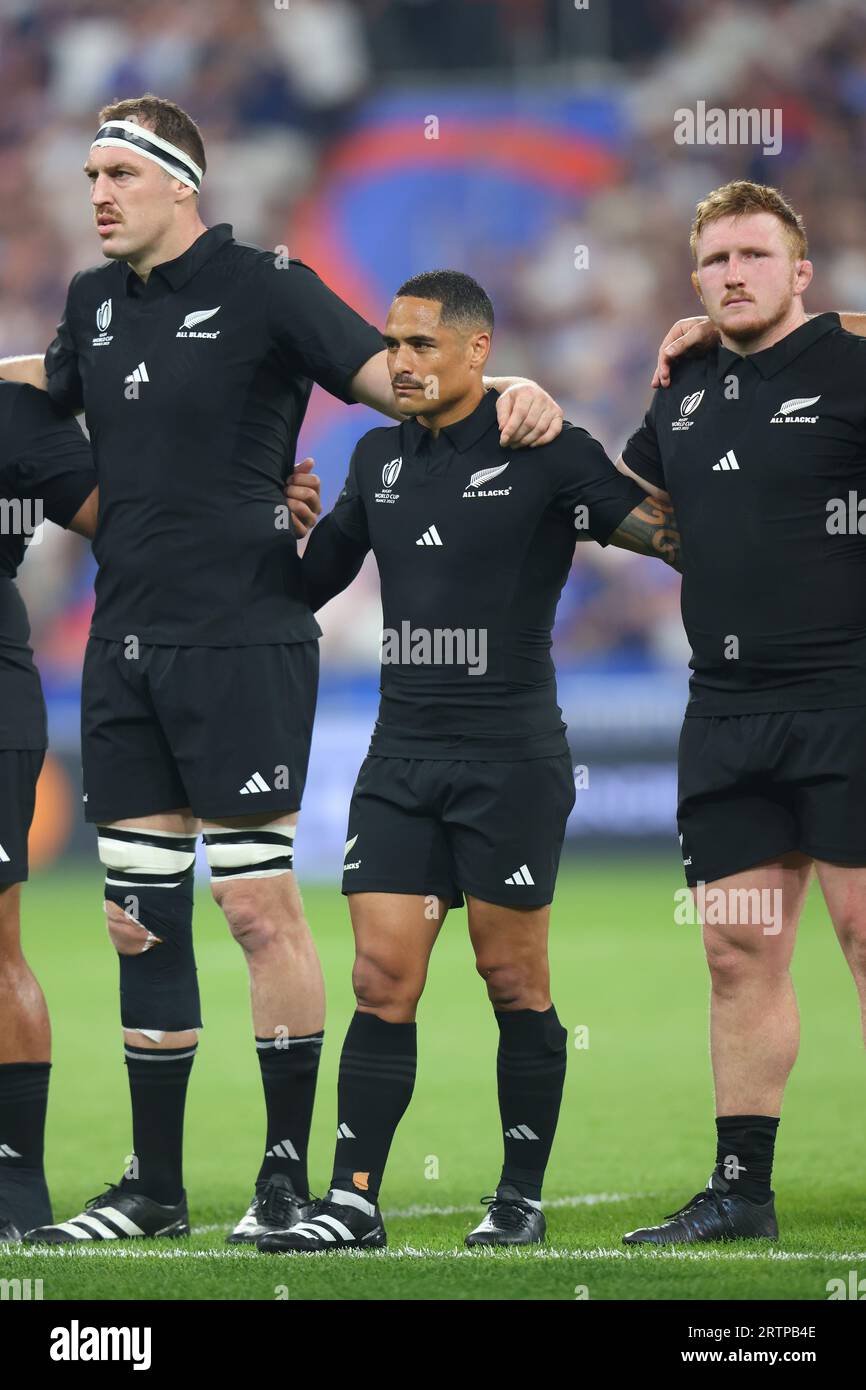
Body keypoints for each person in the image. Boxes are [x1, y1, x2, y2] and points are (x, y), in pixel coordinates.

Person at [0, 96, 562, 1246]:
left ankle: (281, 1177)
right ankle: (152, 1189)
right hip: (124, 647)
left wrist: (509, 389)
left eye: (117, 173)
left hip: (247, 637)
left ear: (178, 182)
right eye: (88, 176)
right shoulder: (93, 304)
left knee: (257, 907)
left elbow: (392, 380)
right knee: (137, 921)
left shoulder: (267, 285)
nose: (96, 194)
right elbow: (47, 381)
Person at [256, 270, 681, 1253]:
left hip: (510, 759)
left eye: (420, 347)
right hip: (398, 757)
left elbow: (664, 534)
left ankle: (517, 1198)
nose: (398, 364)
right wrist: (283, 521)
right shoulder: (374, 456)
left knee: (510, 978)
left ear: (476, 352)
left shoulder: (545, 448)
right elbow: (304, 587)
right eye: (392, 345)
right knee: (378, 977)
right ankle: (351, 1199)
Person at [614, 180, 866, 1245]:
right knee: (736, 951)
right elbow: (641, 508)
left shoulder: (853, 361)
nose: (732, 275)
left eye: (754, 257)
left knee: (861, 935)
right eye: (714, 260)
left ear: (799, 271)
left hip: (847, 699)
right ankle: (738, 1194)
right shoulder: (680, 388)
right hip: (722, 711)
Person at [0, 385, 97, 1240]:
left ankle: (15, 1186)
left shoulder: (16, 413)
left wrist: (251, 498)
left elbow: (129, 515)